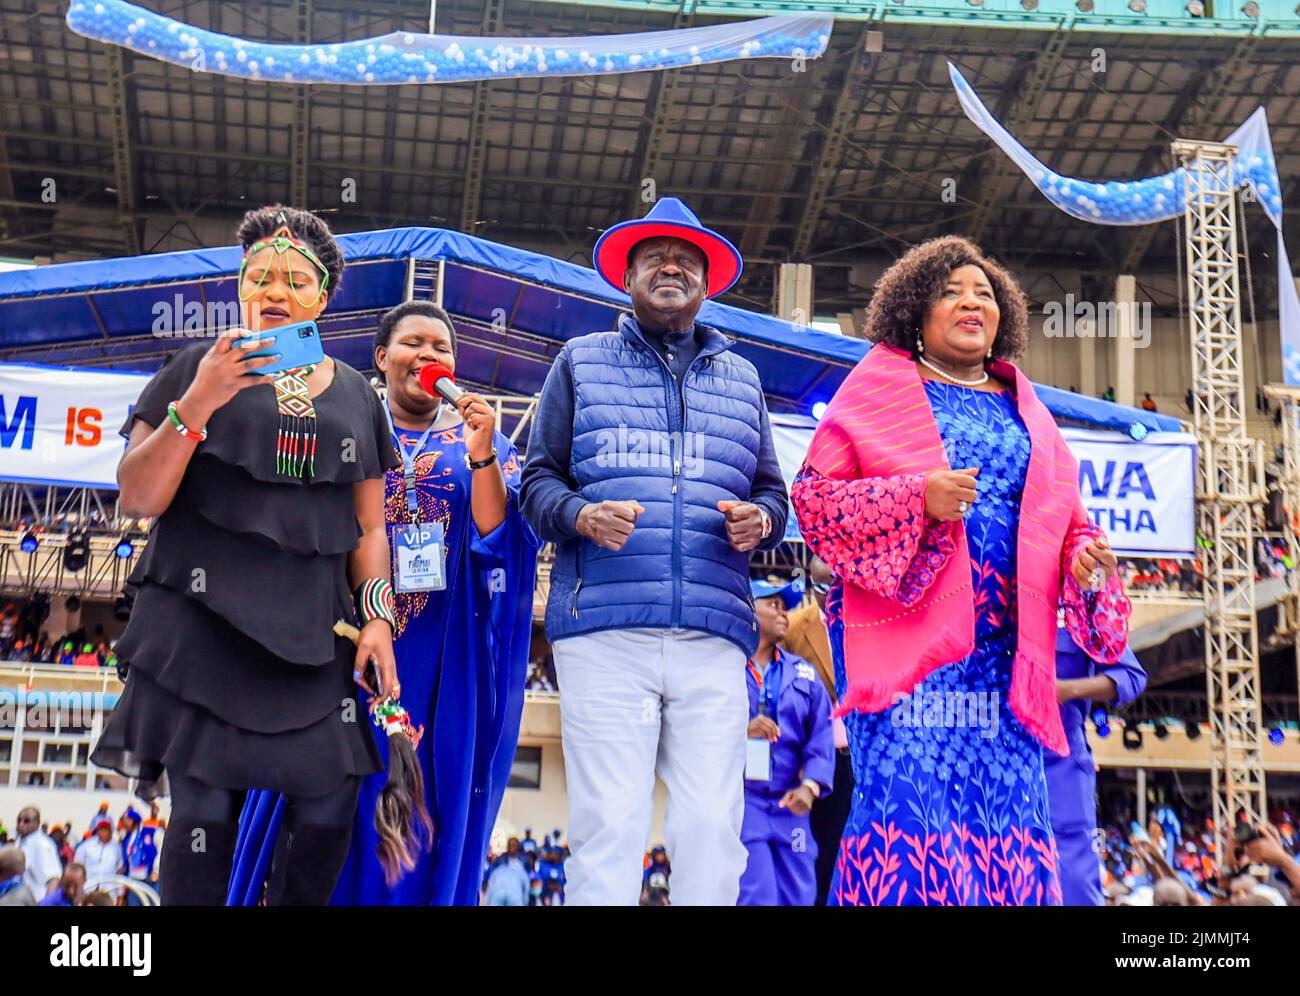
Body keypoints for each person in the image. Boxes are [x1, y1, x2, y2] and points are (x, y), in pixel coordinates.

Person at [792, 235, 1131, 906]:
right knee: (908, 812)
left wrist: (1084, 561)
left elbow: (1066, 517)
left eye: (983, 293)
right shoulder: (881, 386)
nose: (971, 301)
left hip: (1007, 655)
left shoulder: (1026, 406)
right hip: (912, 654)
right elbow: (815, 500)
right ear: (915, 313)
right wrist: (917, 497)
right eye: (951, 292)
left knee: (1007, 818)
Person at [91, 205, 402, 906]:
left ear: (321, 297)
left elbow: (370, 528)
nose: (272, 288)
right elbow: (138, 497)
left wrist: (378, 621)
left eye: (293, 277)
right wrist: (199, 400)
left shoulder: (357, 396)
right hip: (199, 635)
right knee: (203, 819)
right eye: (257, 274)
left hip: (312, 641)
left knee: (326, 815)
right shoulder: (191, 369)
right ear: (239, 287)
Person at [521, 196, 789, 906]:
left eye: (686, 259)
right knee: (609, 825)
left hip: (714, 634)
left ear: (706, 281)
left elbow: (774, 494)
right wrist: (581, 516)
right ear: (627, 277)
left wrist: (760, 521)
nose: (671, 266)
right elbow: (535, 482)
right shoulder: (579, 363)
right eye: (655, 257)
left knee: (711, 828)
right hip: (606, 633)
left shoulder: (744, 379)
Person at [230, 300, 538, 906]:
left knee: (424, 803)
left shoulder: (483, 437)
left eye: (442, 347)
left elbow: (499, 540)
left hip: (441, 662)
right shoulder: (343, 422)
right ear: (381, 358)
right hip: (340, 649)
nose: (430, 356)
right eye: (413, 343)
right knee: (326, 803)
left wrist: (482, 454)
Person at [738, 578, 834, 906]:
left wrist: (810, 787)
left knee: (799, 890)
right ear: (749, 611)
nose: (784, 614)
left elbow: (820, 735)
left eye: (785, 606)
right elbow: (700, 727)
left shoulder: (804, 674)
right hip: (744, 802)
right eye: (773, 605)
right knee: (757, 891)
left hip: (790, 805)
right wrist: (742, 731)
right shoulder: (724, 669)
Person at [1046, 627, 1146, 906]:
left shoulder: (1078, 601)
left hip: (1060, 767)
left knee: (1074, 883)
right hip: (991, 767)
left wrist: (1066, 690)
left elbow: (1130, 676)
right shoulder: (984, 592)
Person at [781, 556, 853, 905]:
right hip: (818, 764)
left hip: (866, 759)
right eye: (824, 587)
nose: (832, 593)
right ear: (812, 586)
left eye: (839, 583)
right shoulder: (795, 627)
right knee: (815, 855)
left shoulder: (870, 623)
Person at [15, 807, 61, 901]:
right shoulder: (20, 841)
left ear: (37, 823)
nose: (21, 824)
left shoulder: (42, 845)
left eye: (26, 821)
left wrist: (47, 903)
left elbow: (53, 879)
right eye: (19, 820)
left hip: (36, 900)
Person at [74, 816, 122, 897]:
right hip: (89, 888)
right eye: (101, 829)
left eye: (106, 829)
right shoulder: (87, 845)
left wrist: (120, 893)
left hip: (108, 890)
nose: (104, 832)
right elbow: (77, 865)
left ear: (110, 831)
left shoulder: (116, 848)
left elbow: (119, 870)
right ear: (97, 831)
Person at [120, 807, 159, 905]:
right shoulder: (126, 839)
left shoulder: (150, 832)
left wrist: (156, 870)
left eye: (127, 820)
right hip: (134, 879)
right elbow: (127, 859)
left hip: (150, 878)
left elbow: (162, 849)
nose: (125, 823)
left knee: (152, 902)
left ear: (134, 820)